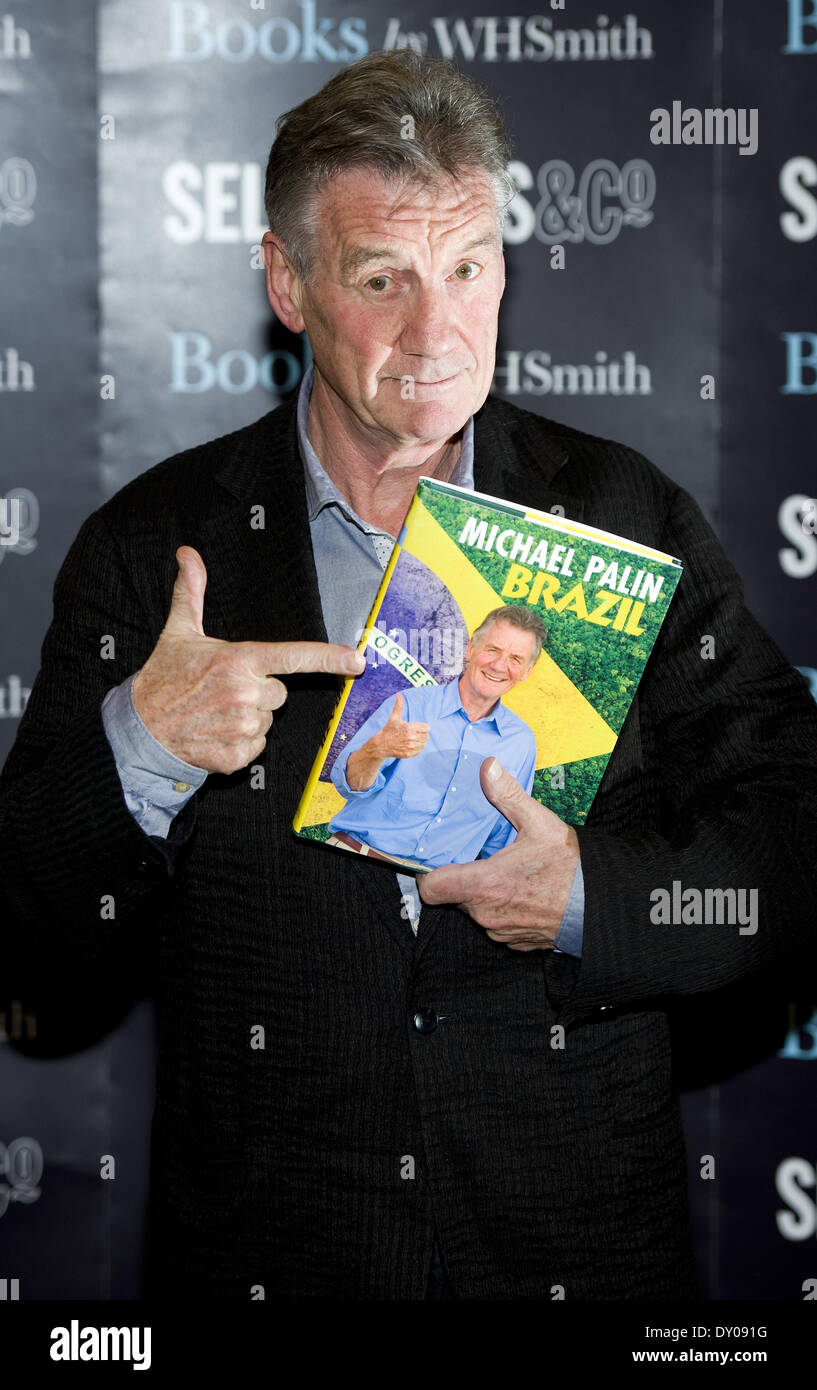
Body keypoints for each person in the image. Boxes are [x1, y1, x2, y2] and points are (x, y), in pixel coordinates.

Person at [2, 50, 816, 1301]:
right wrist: (138, 752)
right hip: (275, 1265)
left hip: (577, 1262)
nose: (436, 336)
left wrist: (593, 899)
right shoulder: (154, 550)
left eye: (468, 270)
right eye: (382, 279)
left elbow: (790, 847)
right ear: (287, 281)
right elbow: (30, 951)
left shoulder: (624, 519)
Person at [328, 607, 542, 869]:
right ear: (471, 648)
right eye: (493, 650)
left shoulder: (520, 743)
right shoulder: (408, 705)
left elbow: (504, 842)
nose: (499, 666)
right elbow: (347, 784)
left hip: (437, 891)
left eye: (515, 659)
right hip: (354, 857)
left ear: (527, 671)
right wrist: (377, 750)